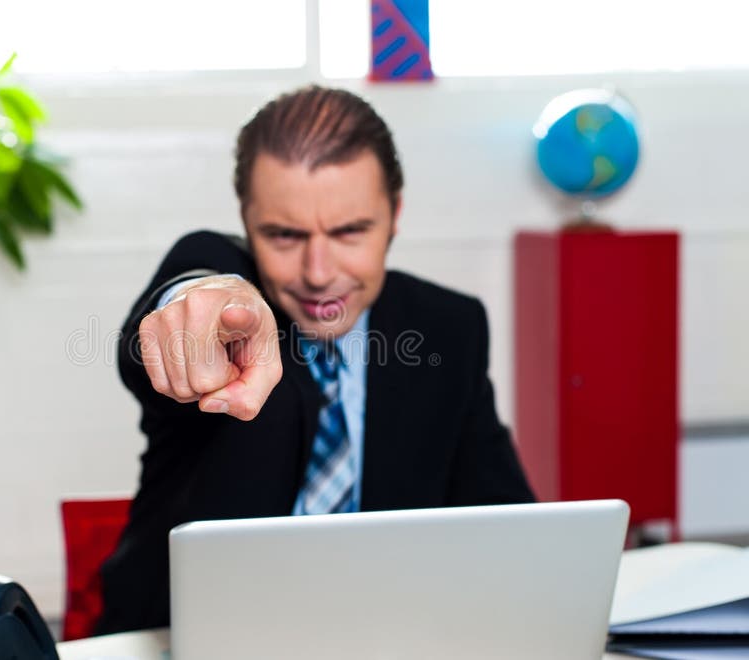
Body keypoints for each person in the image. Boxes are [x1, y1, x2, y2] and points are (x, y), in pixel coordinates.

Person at [95, 85, 534, 635]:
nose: (319, 271)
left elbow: (506, 523)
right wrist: (196, 306)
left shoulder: (449, 327)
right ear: (247, 221)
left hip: (383, 636)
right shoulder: (229, 304)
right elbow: (189, 283)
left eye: (350, 231)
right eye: (283, 235)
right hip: (185, 637)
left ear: (394, 215)